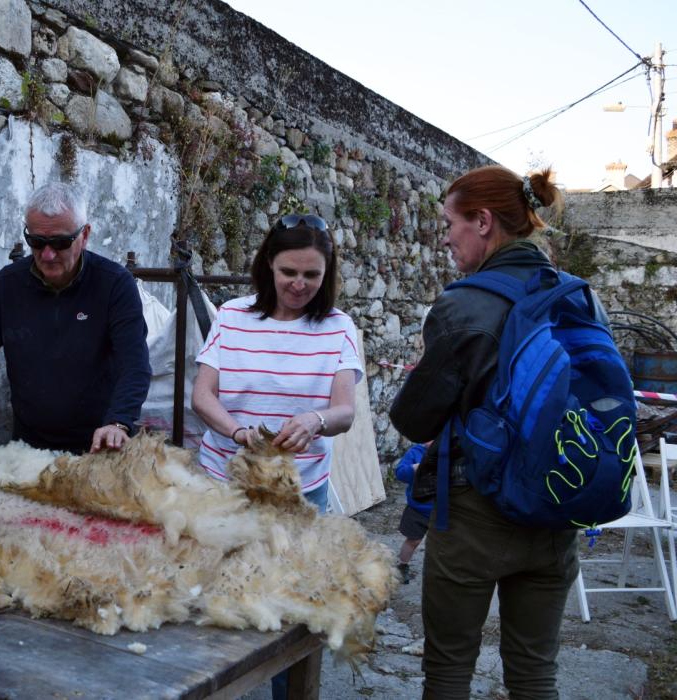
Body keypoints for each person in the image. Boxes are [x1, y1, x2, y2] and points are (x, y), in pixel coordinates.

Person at [389, 165, 575, 699]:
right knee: (536, 671)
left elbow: (414, 419)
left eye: (450, 222)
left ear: (484, 221)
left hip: (475, 513)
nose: (445, 236)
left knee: (448, 668)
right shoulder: (579, 297)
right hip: (556, 508)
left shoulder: (464, 303)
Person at [0, 181, 151, 454]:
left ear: (85, 235)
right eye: (36, 242)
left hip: (99, 446)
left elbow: (135, 364)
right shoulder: (9, 285)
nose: (47, 254)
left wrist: (119, 422)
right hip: (28, 452)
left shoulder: (114, 285)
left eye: (59, 242)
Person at [191, 214, 361, 512]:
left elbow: (345, 412)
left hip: (300, 488)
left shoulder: (339, 326)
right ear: (269, 263)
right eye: (288, 272)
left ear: (327, 272)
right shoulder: (231, 316)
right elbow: (202, 396)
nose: (299, 284)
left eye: (311, 275)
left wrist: (315, 421)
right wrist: (238, 433)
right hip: (224, 479)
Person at [394, 441, 430, 585]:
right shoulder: (415, 452)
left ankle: (441, 571)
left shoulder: (449, 453)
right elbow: (400, 473)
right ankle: (402, 565)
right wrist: (413, 469)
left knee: (442, 542)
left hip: (443, 509)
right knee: (413, 540)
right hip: (418, 508)